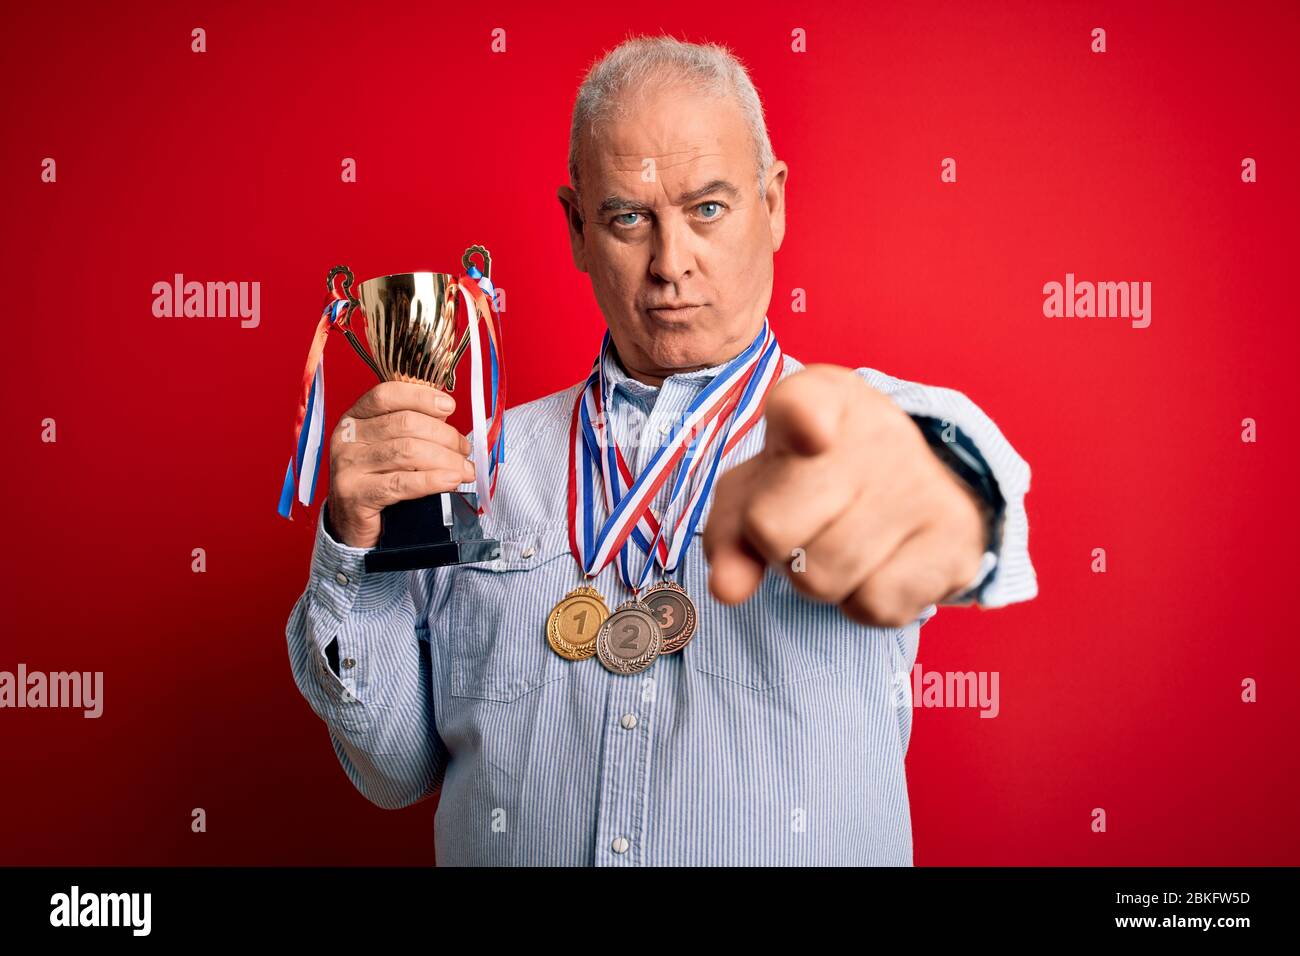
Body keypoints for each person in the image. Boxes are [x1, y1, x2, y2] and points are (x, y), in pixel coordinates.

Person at [285, 34, 1036, 866]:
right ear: (576, 228)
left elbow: (965, 485)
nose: (670, 264)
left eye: (708, 209)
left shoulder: (861, 422)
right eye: (629, 218)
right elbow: (393, 771)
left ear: (774, 202)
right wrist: (352, 546)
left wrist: (941, 492)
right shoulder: (471, 473)